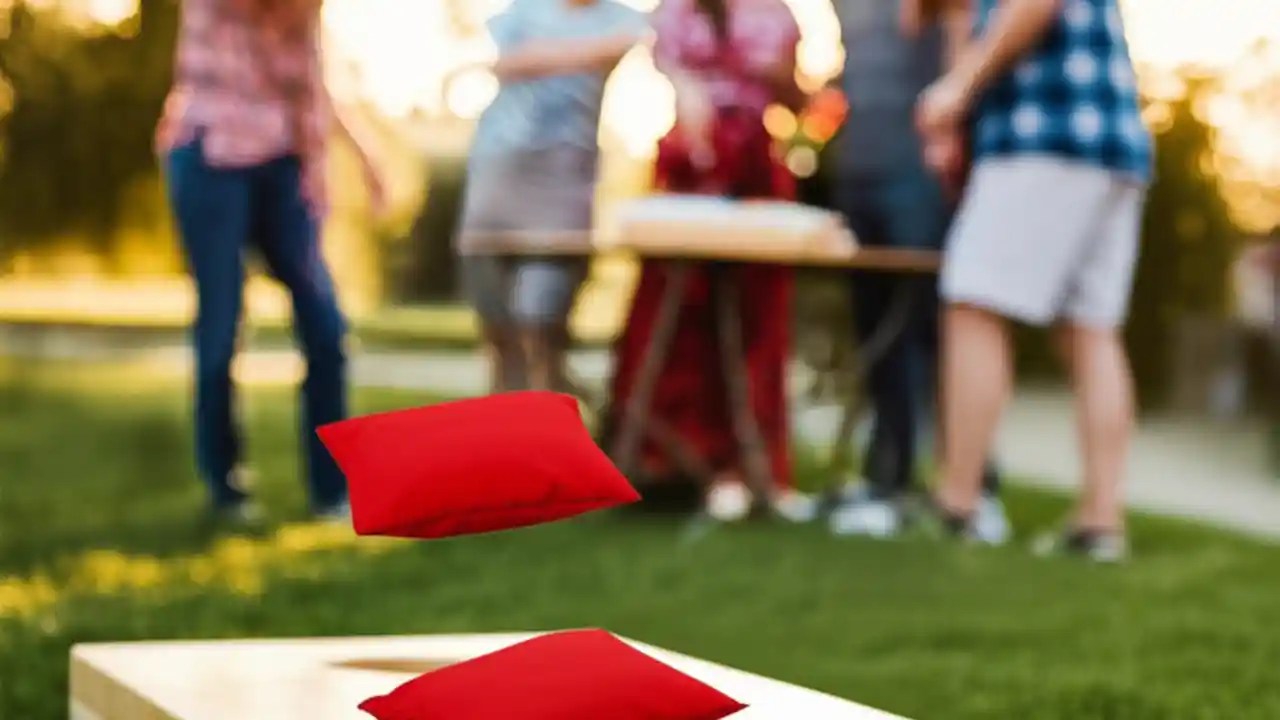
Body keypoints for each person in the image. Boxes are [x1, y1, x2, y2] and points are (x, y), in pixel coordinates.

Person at [916, 0, 1153, 560]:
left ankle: (959, 503)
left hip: (1044, 135)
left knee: (972, 303)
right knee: (1089, 327)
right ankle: (1100, 524)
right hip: (1110, 141)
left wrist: (958, 85)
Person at [158, 0, 386, 524]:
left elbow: (313, 77)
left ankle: (330, 491)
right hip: (210, 152)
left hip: (284, 161)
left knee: (325, 327)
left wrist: (363, 153)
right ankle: (226, 486)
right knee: (221, 323)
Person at [604, 0, 812, 522]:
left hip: (754, 173)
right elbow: (666, 69)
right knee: (675, 322)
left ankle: (747, 467)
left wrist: (782, 79)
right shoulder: (675, 12)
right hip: (690, 167)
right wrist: (684, 89)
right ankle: (663, 460)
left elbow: (799, 101)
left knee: (753, 322)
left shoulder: (775, 14)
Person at [825, 0, 1009, 543]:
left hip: (920, 174)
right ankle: (888, 478)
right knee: (877, 333)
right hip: (858, 168)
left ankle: (973, 486)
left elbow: (962, 40)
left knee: (934, 331)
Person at [457, 0, 650, 394]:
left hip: (563, 188)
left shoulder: (621, 19)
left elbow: (510, 65)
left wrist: (530, 60)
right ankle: (502, 438)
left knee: (541, 323)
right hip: (496, 179)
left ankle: (544, 439)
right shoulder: (523, 10)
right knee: (498, 331)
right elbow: (501, 60)